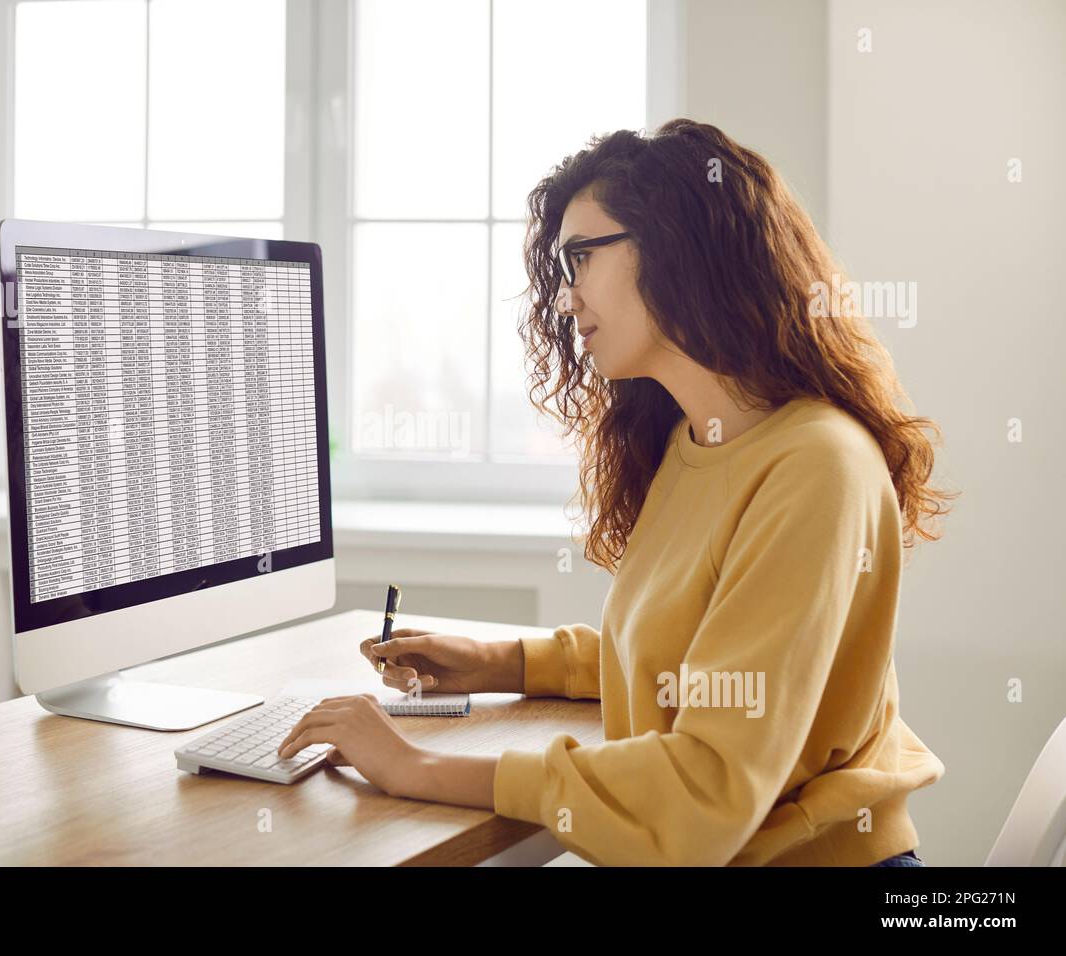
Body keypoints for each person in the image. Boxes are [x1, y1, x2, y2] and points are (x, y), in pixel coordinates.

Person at [276, 118, 956, 866]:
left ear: (677, 245)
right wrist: (497, 660)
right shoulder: (694, 441)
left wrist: (415, 766)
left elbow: (706, 789)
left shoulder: (816, 465)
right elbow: (692, 668)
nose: (566, 303)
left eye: (582, 259)